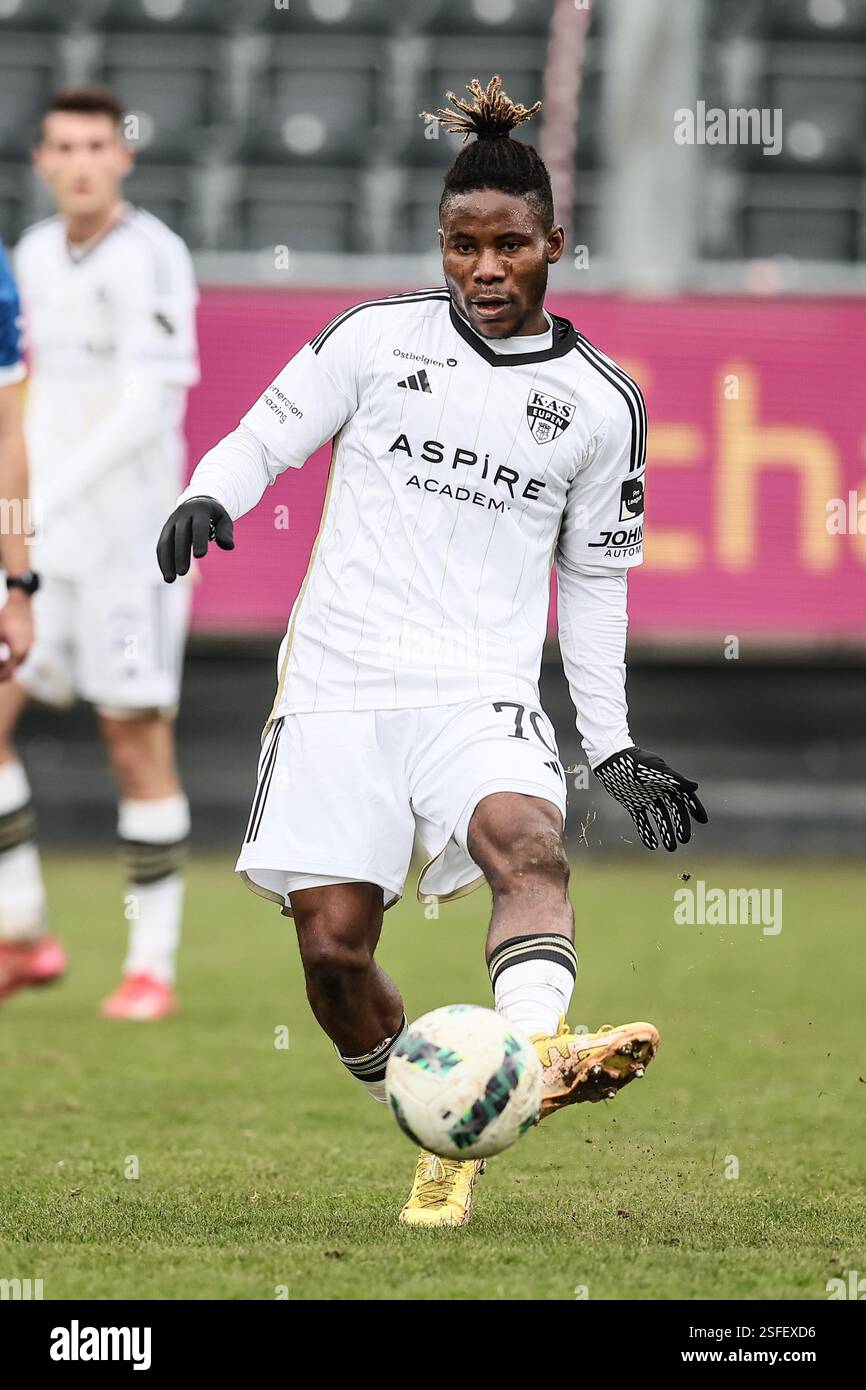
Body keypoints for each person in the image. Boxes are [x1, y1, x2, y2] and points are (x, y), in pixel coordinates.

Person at [158, 77, 707, 1224]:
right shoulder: (373, 338)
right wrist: (210, 493)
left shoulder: (601, 403)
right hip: (337, 685)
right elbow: (264, 435)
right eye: (463, 246)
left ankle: (527, 1060)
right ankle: (444, 1112)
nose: (485, 270)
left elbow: (594, 578)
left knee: (528, 845)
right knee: (331, 957)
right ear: (441, 244)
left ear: (554, 241)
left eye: (509, 245)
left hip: (478, 688)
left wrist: (607, 744)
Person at [0, 87, 199, 1018]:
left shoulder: (155, 257)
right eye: (62, 147)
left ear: (122, 158)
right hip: (45, 542)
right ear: (41, 161)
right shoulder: (31, 257)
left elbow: (145, 407)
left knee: (132, 738)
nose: (79, 162)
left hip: (131, 546)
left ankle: (151, 961)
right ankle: (26, 930)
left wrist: (45, 493)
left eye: (95, 145)